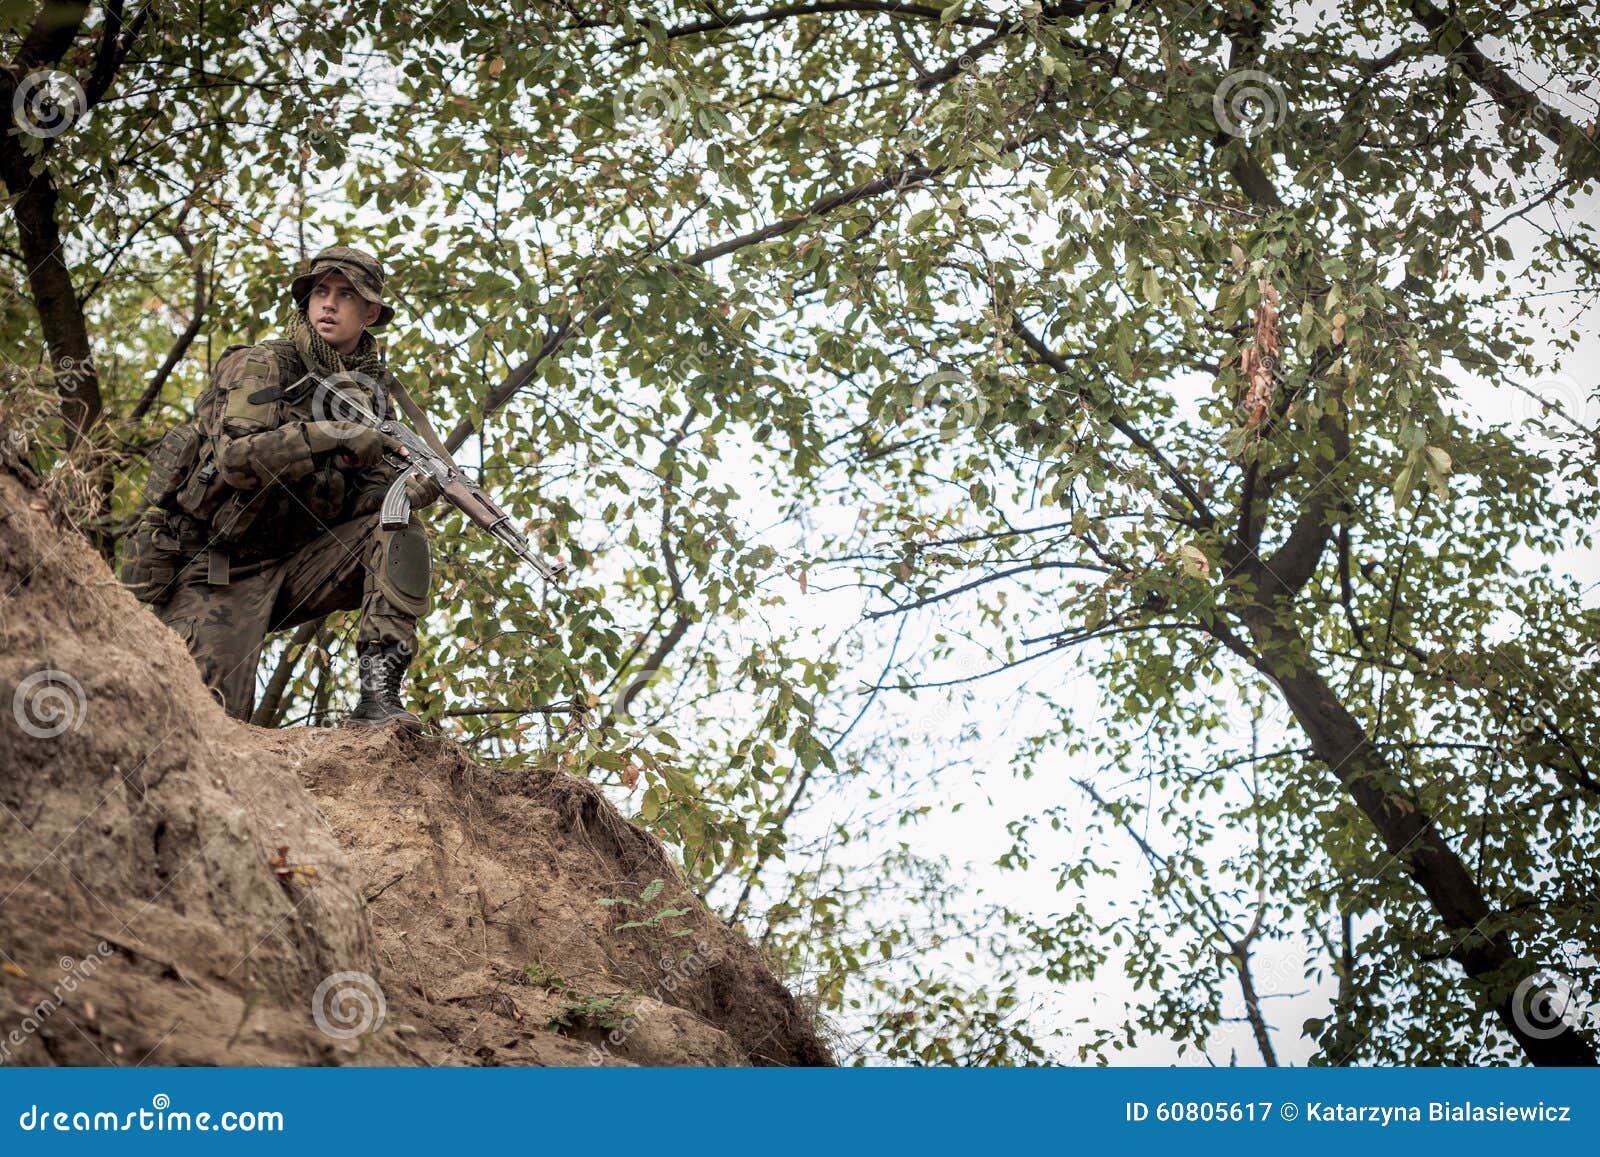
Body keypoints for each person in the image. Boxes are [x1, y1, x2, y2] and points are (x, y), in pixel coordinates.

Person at [138, 245, 441, 729]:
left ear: (371, 312)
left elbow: (362, 501)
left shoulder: (371, 399)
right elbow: (236, 459)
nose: (328, 304)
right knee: (207, 724)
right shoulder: (264, 366)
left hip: (296, 566)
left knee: (399, 524)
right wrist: (332, 434)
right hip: (219, 569)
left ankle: (378, 697)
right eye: (319, 292)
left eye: (346, 295)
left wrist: (405, 490)